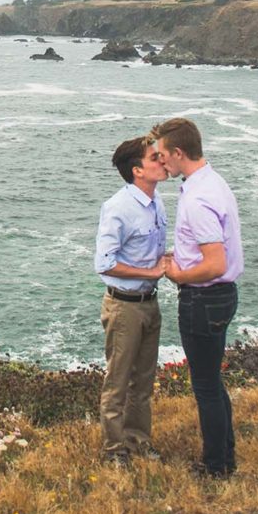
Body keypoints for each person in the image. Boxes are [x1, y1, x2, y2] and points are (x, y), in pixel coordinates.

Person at [152, 117, 244, 478]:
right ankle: (227, 457)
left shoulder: (199, 199)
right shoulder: (210, 181)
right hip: (222, 297)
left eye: (162, 155)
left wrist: (178, 274)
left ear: (178, 152)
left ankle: (216, 468)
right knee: (213, 383)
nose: (160, 163)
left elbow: (214, 264)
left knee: (205, 388)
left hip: (203, 299)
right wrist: (185, 255)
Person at [94, 136, 168, 463]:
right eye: (155, 157)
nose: (163, 160)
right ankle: (113, 450)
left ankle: (138, 440)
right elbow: (105, 262)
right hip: (123, 305)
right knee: (118, 381)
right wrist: (151, 273)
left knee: (144, 380)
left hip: (149, 302)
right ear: (138, 170)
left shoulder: (157, 202)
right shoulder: (118, 207)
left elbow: (150, 253)